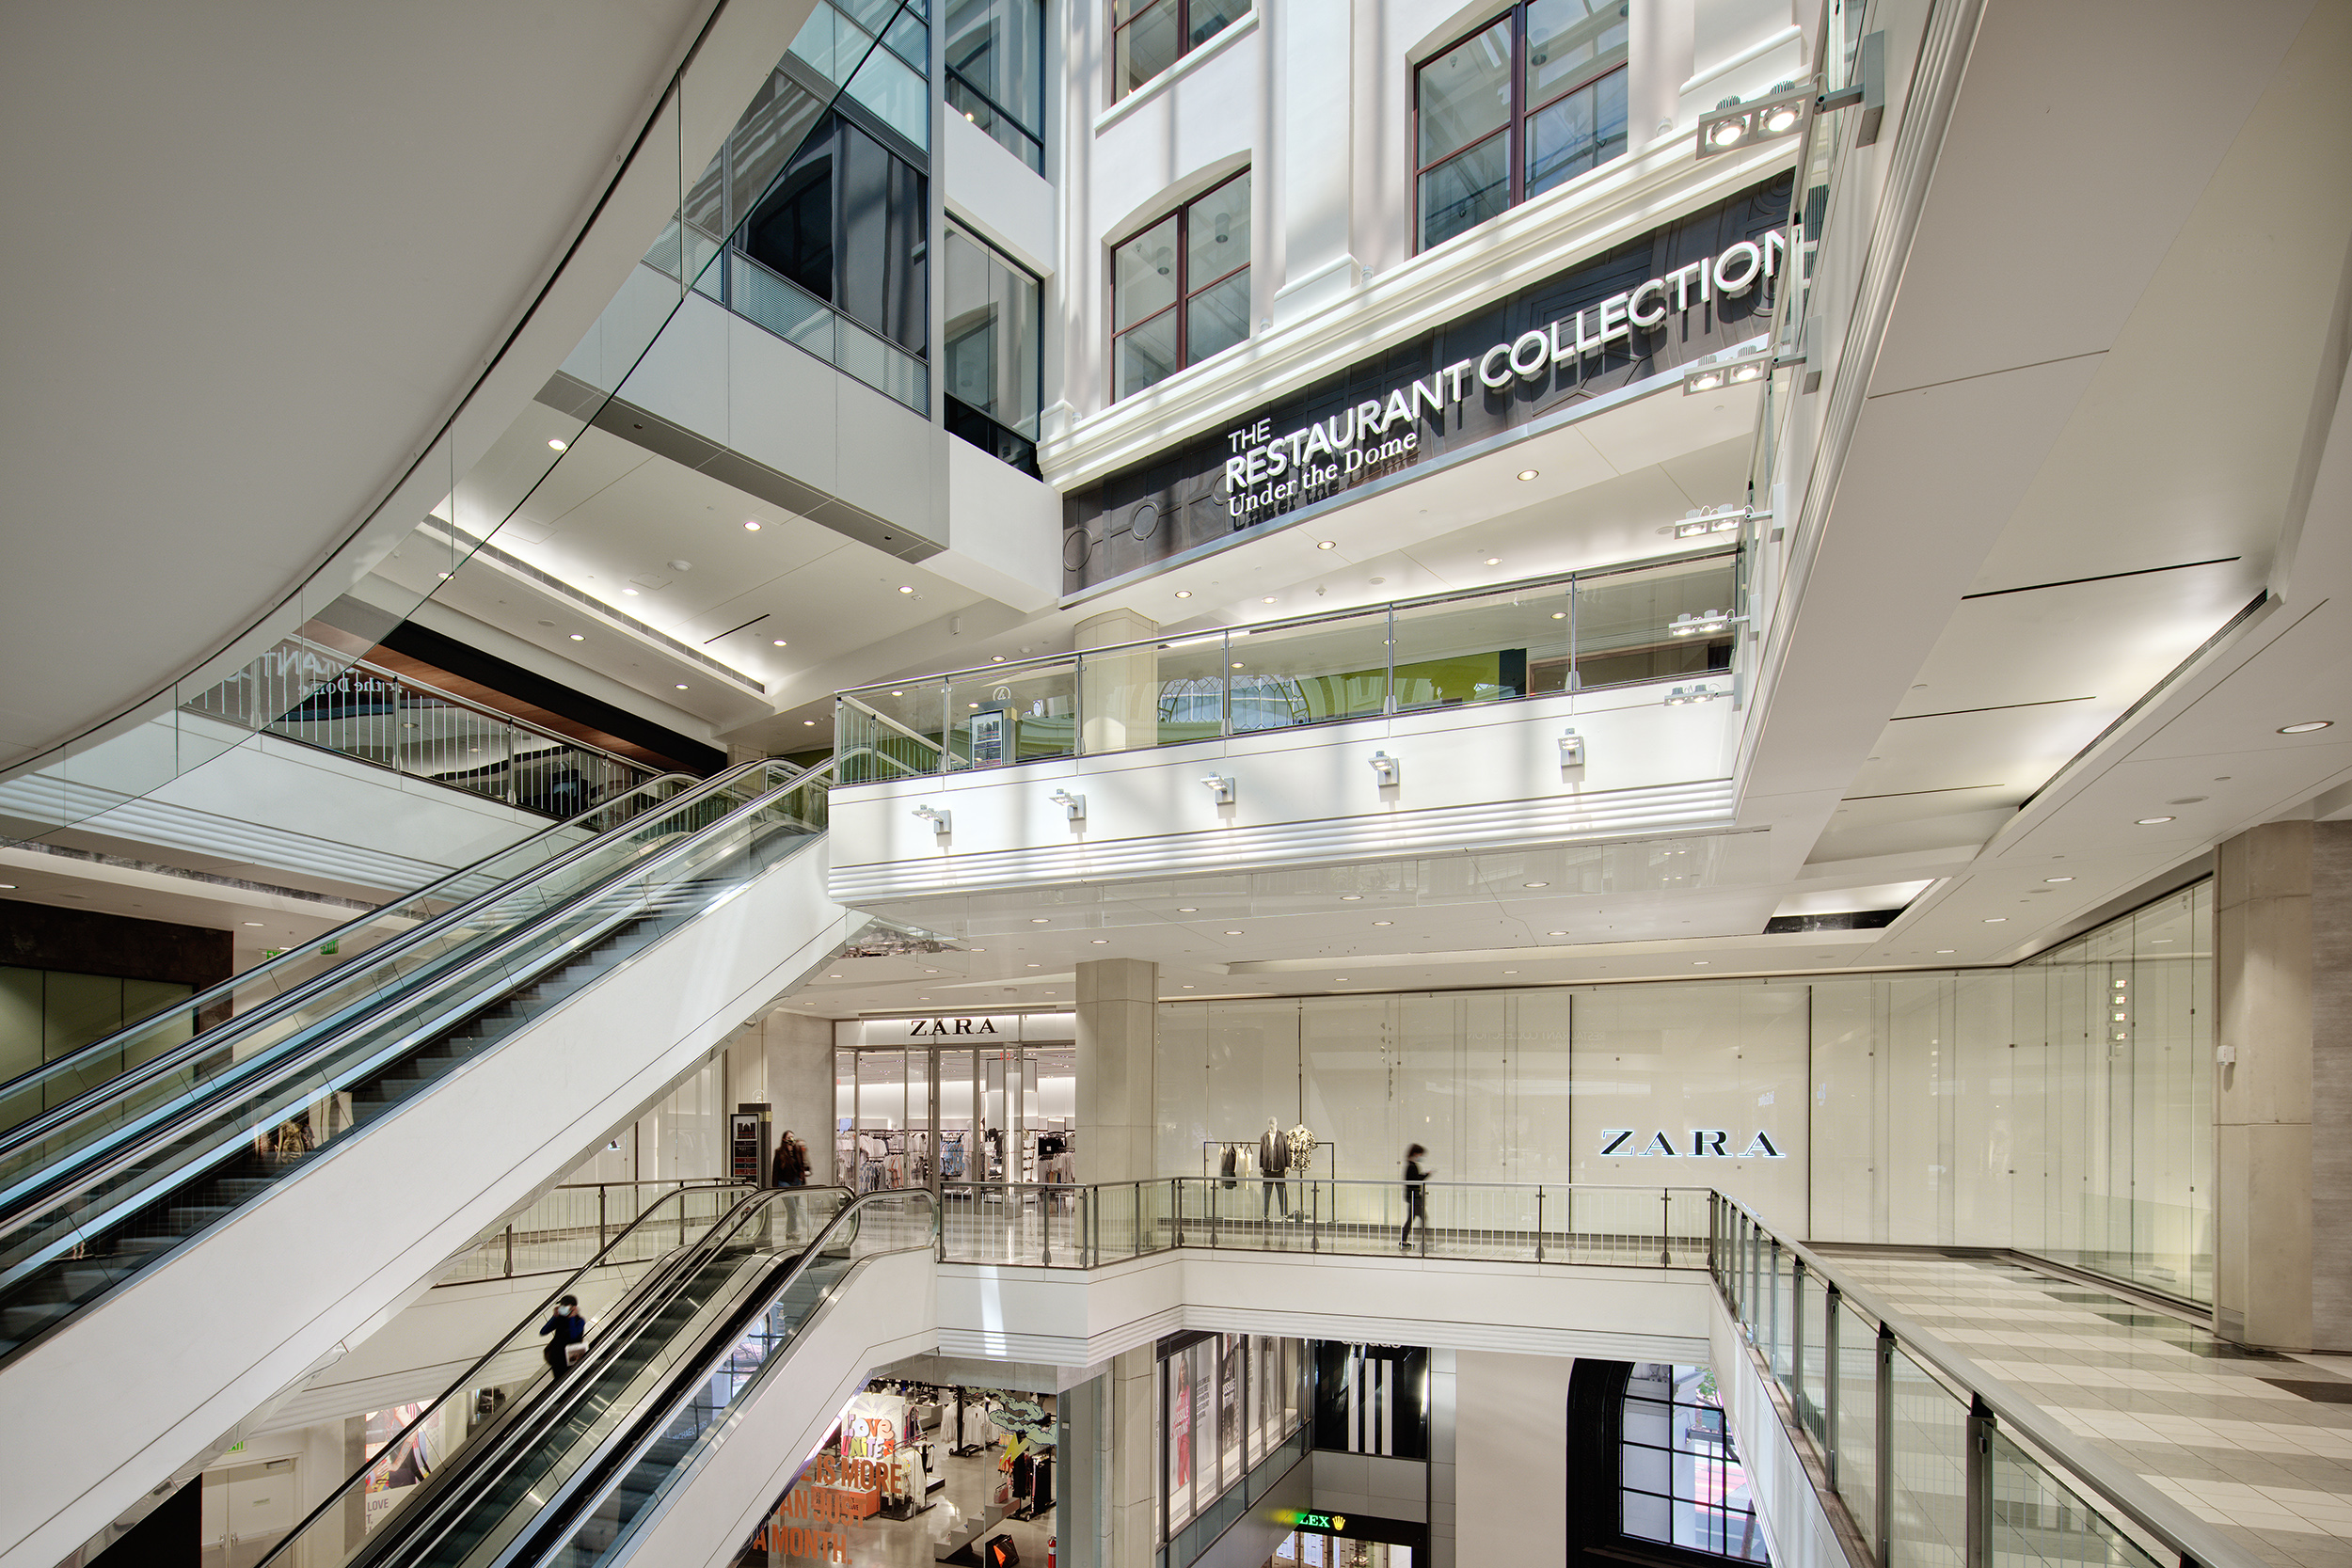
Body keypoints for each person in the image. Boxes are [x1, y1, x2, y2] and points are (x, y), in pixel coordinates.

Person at [540, 1294, 587, 1381]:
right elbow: (543, 1331)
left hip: (571, 1356)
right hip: (557, 1356)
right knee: (559, 1379)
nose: (562, 1307)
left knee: (572, 1379)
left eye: (565, 1305)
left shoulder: (579, 1321)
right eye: (561, 1305)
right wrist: (554, 1317)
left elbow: (573, 1336)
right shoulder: (560, 1319)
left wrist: (572, 1317)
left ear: (573, 1307)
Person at [1400, 1145, 1429, 1253]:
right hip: (1414, 1196)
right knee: (1422, 1217)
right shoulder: (1412, 1166)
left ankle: (1404, 1240)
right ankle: (1424, 1239)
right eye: (1420, 1154)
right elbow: (1415, 1180)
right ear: (1416, 1153)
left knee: (1412, 1218)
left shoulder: (1410, 1165)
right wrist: (1425, 1175)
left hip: (1412, 1196)